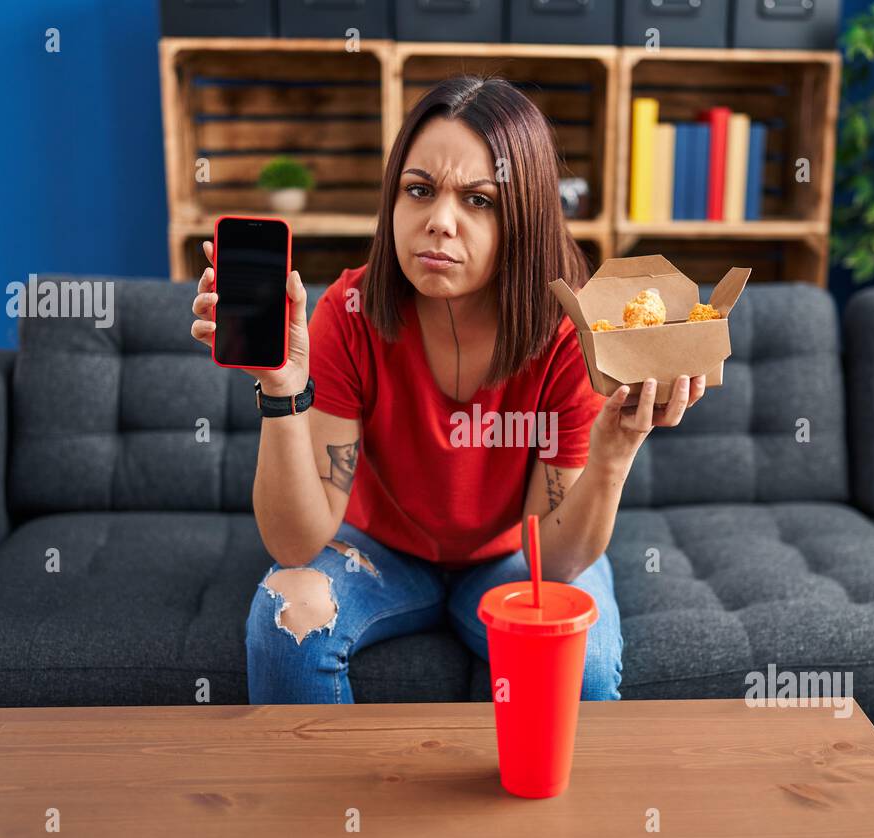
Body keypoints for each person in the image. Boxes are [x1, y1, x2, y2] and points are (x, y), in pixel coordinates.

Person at [190, 75, 710, 705]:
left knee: (580, 661)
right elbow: (295, 545)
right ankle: (326, 809)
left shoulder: (570, 332)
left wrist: (613, 453)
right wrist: (282, 390)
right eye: (419, 190)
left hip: (512, 556)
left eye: (479, 201)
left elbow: (559, 557)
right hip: (378, 551)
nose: (440, 222)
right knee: (283, 619)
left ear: (525, 216)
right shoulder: (348, 312)